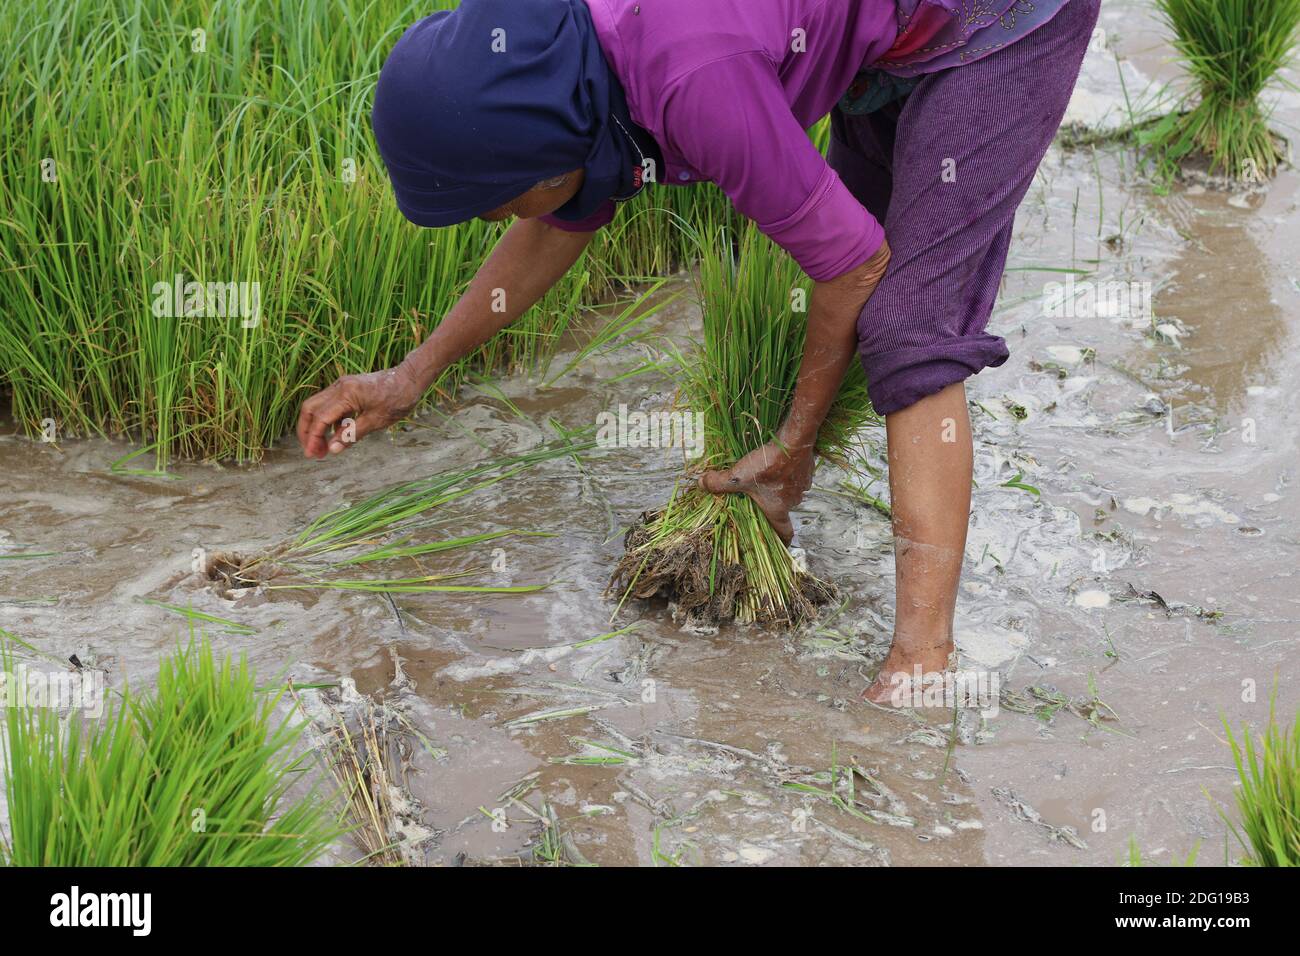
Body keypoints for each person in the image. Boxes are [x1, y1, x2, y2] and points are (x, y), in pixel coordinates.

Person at [295, 0, 1101, 703]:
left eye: (495, 201)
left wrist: (795, 441)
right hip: (885, 35)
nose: (495, 219)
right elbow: (551, 224)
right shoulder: (571, 71)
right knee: (830, 290)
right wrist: (409, 378)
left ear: (539, 151)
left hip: (1004, 14)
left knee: (907, 330)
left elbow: (854, 265)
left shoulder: (687, 79)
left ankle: (924, 660)